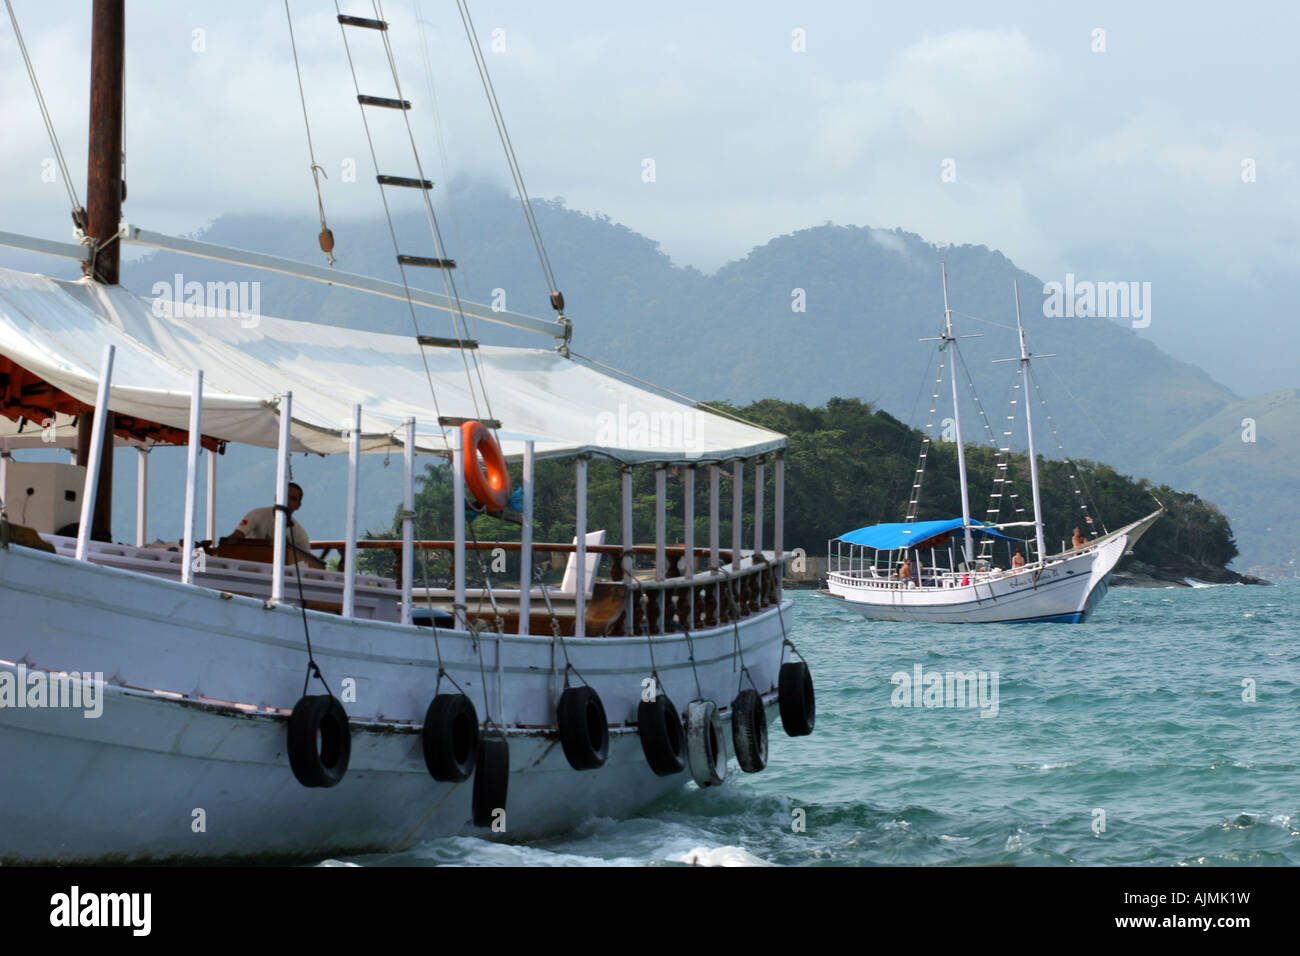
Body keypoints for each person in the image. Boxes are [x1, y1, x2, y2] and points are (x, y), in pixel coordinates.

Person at [230, 482, 312, 555]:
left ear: (298, 506)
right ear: (276, 497)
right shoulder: (256, 514)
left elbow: (307, 562)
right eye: (285, 496)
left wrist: (288, 548)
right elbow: (237, 535)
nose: (287, 501)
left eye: (293, 499)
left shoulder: (301, 535)